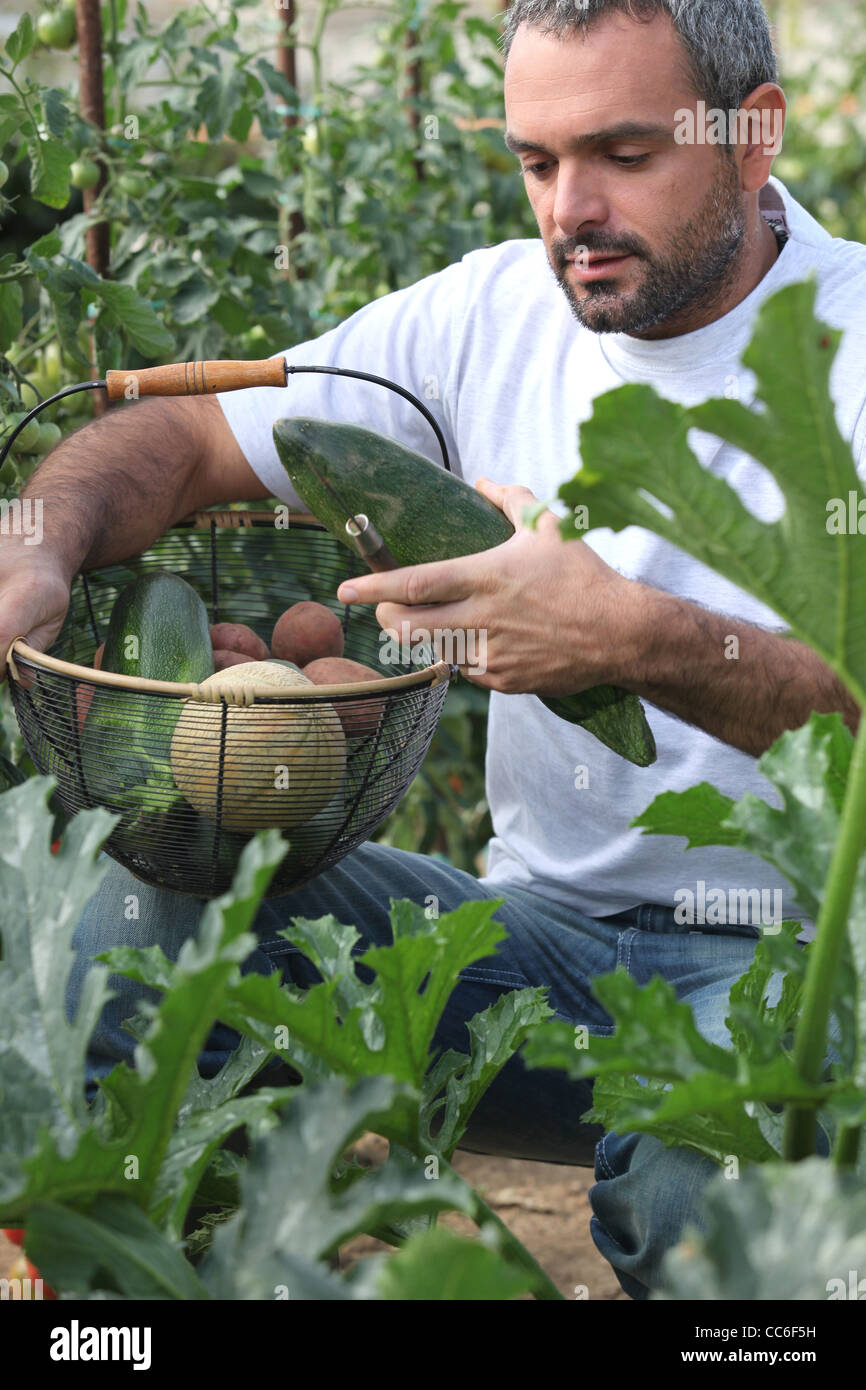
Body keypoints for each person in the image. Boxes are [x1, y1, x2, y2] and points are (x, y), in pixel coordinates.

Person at [2, 0, 864, 1299]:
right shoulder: (485, 314)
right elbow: (177, 441)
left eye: (623, 154)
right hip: (527, 943)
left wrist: (638, 641)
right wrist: (38, 540)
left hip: (798, 965)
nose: (567, 207)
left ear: (752, 138)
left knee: (719, 1215)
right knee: (129, 903)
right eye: (535, 160)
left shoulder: (848, 348)